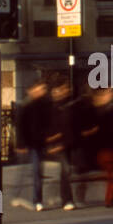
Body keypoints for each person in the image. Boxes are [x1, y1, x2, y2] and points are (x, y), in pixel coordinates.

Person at [12, 77, 50, 211]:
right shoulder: (25, 105)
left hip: (39, 143)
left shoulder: (44, 104)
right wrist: (21, 145)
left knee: (36, 171)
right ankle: (24, 196)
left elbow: (47, 123)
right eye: (40, 89)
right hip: (28, 143)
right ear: (32, 90)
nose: (43, 92)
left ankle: (36, 199)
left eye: (43, 89)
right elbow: (20, 126)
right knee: (28, 171)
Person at [45, 72, 77, 209]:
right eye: (62, 89)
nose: (66, 91)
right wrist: (53, 142)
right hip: (60, 143)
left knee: (67, 171)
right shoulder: (53, 107)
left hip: (69, 143)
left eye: (66, 88)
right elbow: (50, 128)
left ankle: (59, 196)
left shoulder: (69, 104)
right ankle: (67, 200)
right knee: (66, 171)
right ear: (55, 91)